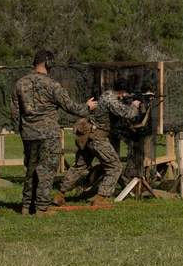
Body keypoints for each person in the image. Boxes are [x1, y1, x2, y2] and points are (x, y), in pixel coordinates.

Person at [11, 50, 97, 216]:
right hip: (48, 135)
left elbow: (15, 112)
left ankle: (26, 206)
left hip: (28, 134)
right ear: (48, 63)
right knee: (46, 171)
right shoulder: (52, 85)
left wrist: (20, 130)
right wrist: (87, 106)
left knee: (31, 170)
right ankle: (41, 208)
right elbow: (71, 107)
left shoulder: (20, 83)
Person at [54, 77, 142, 208]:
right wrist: (135, 105)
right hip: (97, 139)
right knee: (115, 167)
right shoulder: (111, 100)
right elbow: (128, 114)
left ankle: (59, 195)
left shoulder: (107, 95)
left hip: (90, 137)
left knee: (79, 167)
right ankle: (100, 199)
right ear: (123, 93)